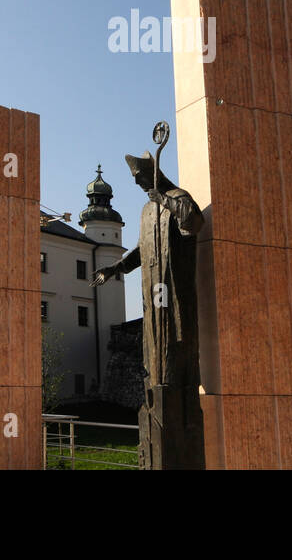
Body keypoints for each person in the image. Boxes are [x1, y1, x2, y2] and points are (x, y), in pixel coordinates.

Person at [92, 154, 205, 468]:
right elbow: (144, 247)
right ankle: (157, 395)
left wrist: (166, 201)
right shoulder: (146, 210)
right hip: (153, 292)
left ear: (152, 174)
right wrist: (117, 266)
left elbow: (193, 222)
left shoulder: (177, 198)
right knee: (153, 351)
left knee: (176, 347)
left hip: (175, 290)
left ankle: (176, 398)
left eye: (139, 177)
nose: (137, 183)